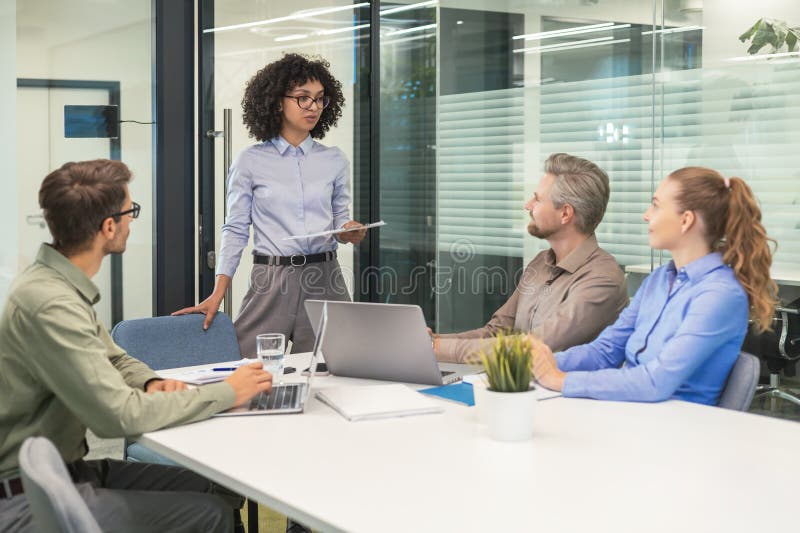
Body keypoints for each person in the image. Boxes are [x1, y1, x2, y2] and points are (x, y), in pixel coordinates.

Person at [0, 159, 273, 532]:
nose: (132, 220)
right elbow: (118, 417)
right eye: (131, 211)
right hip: (29, 497)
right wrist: (227, 392)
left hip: (71, 471)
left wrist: (149, 382)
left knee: (214, 487)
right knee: (211, 514)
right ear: (109, 226)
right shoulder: (50, 303)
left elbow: (112, 358)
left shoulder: (56, 283)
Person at [530, 167, 777, 405]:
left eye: (656, 205)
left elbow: (655, 382)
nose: (647, 215)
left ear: (686, 220)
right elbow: (606, 351)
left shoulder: (720, 294)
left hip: (678, 428)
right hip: (635, 412)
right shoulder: (659, 279)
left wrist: (561, 379)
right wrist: (538, 362)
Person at [174, 53, 366, 357]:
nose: (314, 107)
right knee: (250, 368)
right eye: (303, 98)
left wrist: (349, 231)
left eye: (319, 99)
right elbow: (236, 229)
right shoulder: (250, 161)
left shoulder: (335, 160)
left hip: (326, 276)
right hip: (271, 278)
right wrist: (218, 293)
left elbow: (340, 221)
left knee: (335, 367)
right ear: (277, 102)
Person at [432, 153, 628, 363]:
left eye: (538, 199)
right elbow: (498, 331)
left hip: (564, 394)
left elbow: (534, 348)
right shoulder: (541, 262)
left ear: (565, 214)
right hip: (521, 390)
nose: (528, 205)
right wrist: (431, 341)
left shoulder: (602, 280)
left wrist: (437, 348)